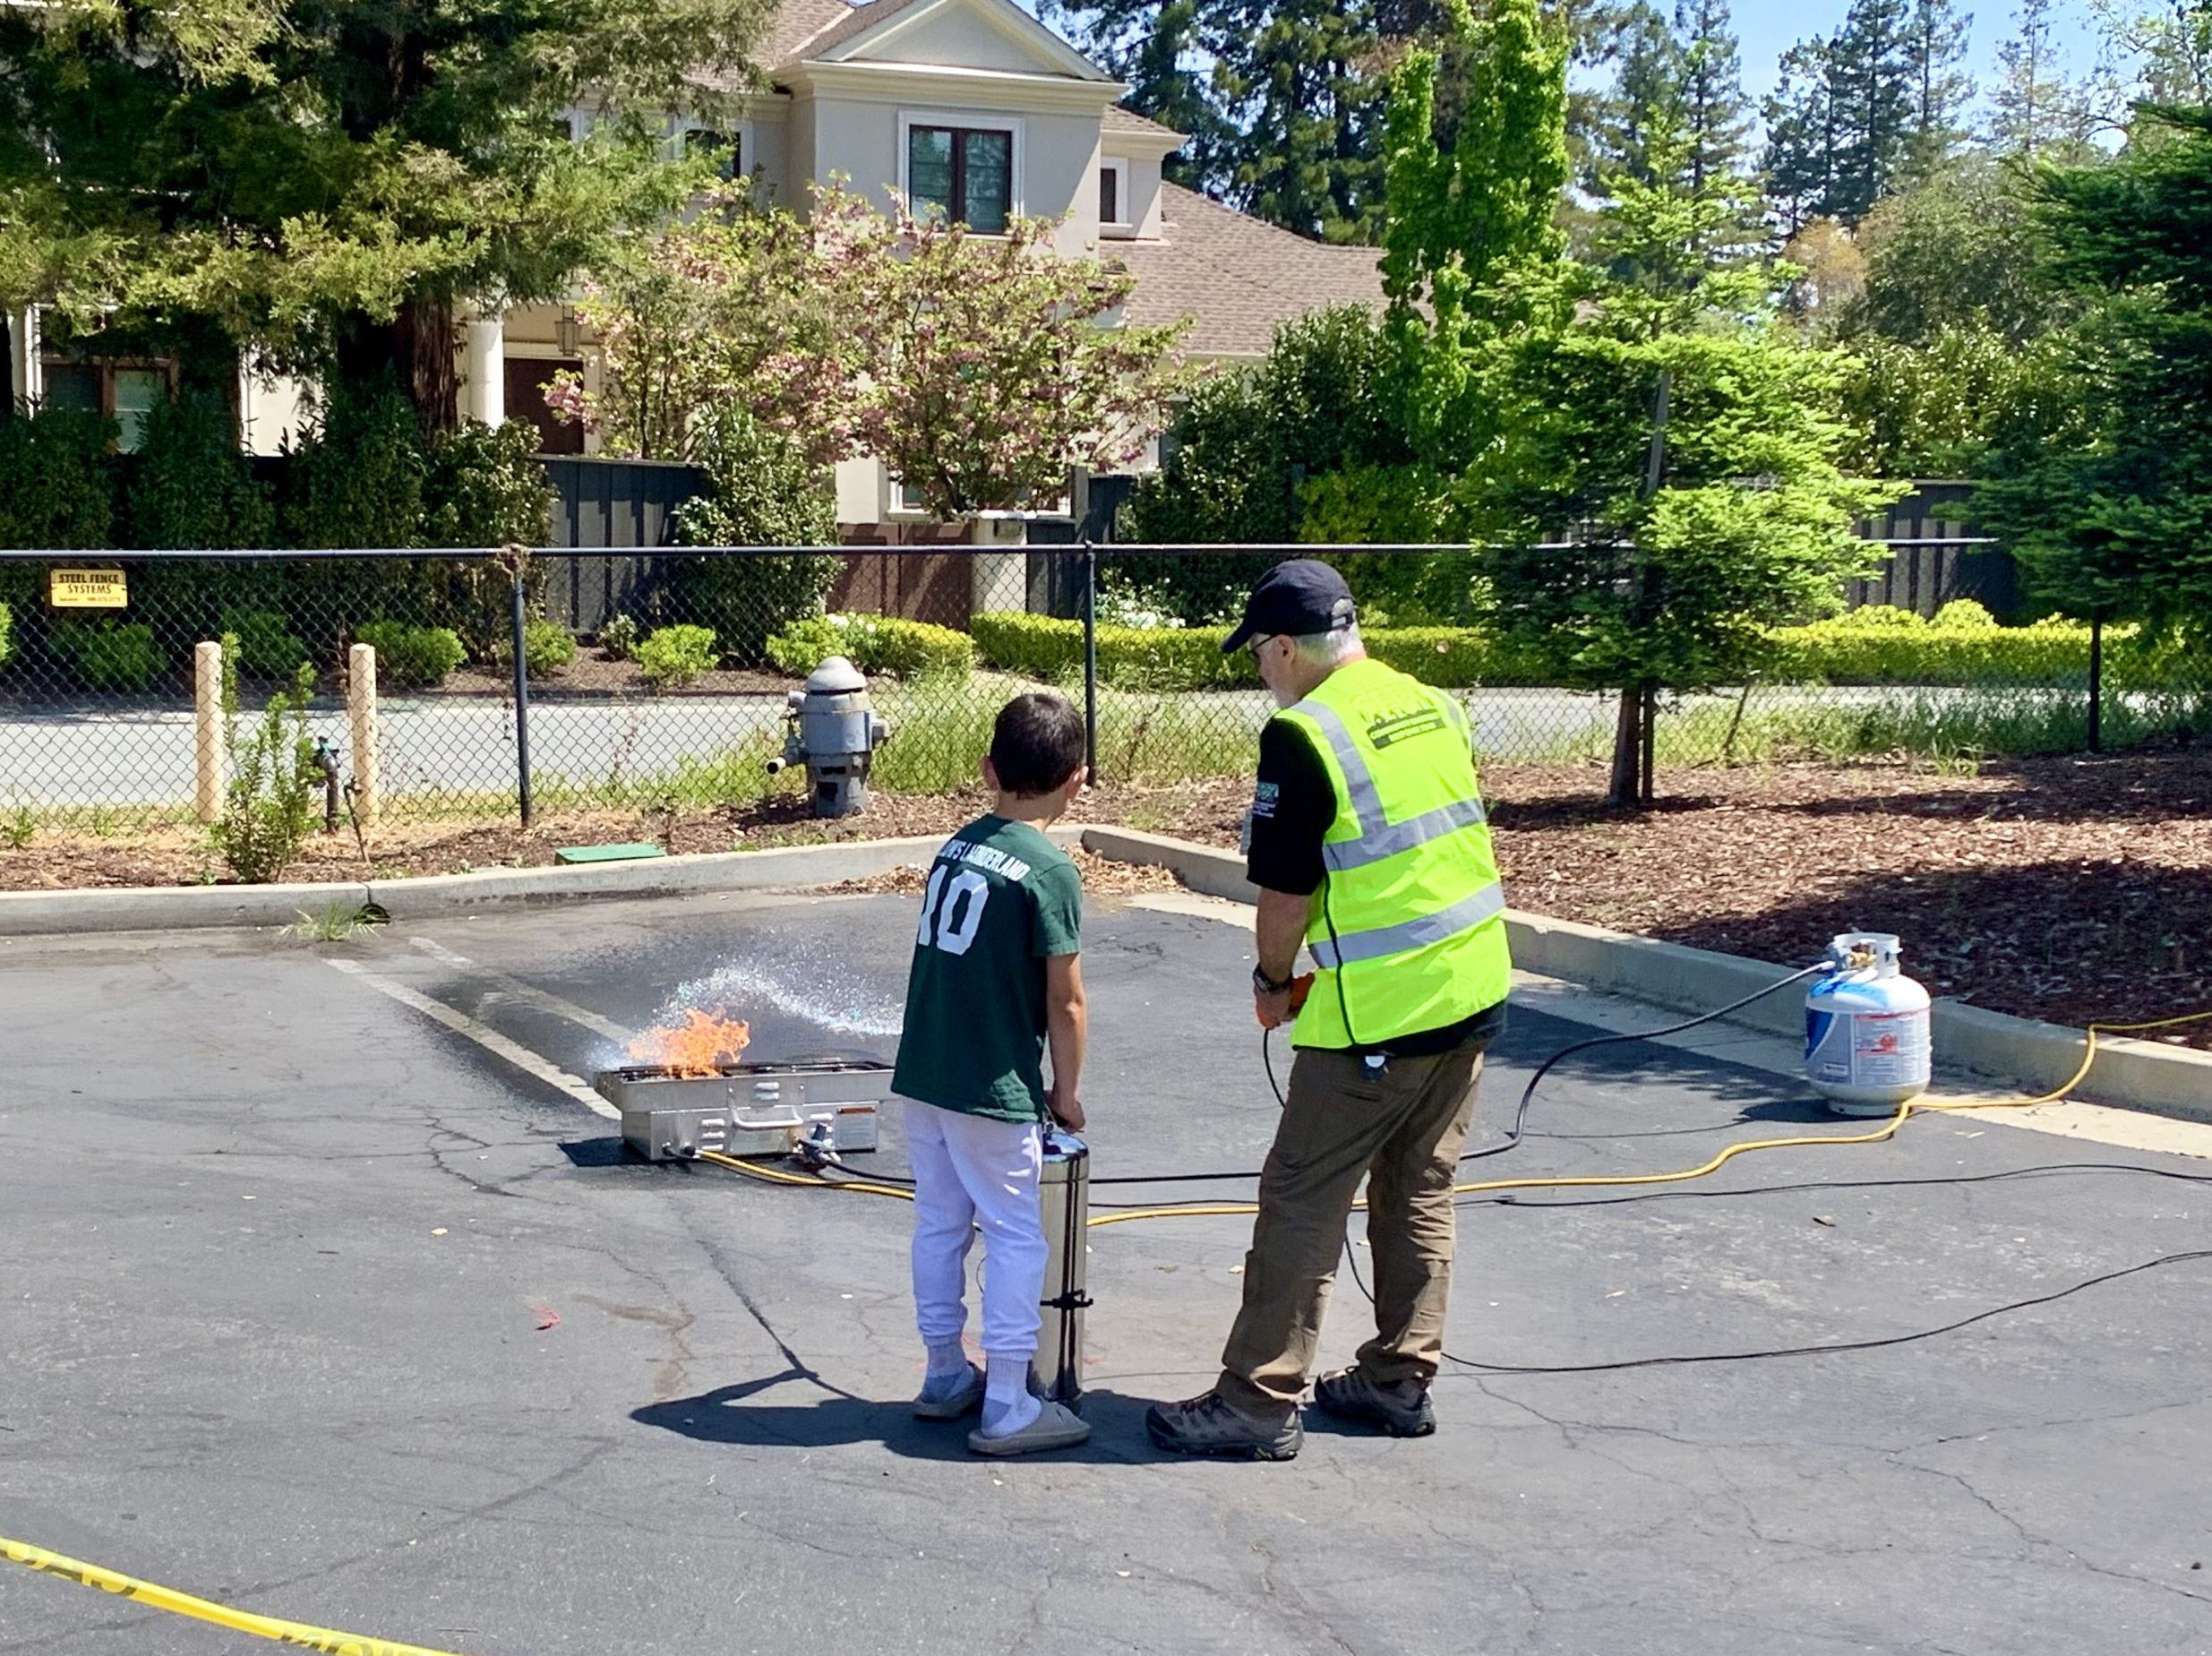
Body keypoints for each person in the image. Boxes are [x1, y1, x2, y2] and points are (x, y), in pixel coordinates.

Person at [1145, 560, 1513, 1460]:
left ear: (1283, 647)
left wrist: (1271, 983)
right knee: (1418, 1188)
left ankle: (1257, 1400)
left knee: (1301, 1195)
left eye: (1258, 658)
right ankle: (1397, 1379)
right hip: (1471, 990)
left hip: (1378, 1019)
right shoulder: (1427, 702)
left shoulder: (1303, 734)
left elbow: (1284, 896)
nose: (1259, 675)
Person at [892, 690, 1093, 1457]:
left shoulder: (957, 846)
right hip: (991, 1084)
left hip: (927, 1073)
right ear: (1076, 780)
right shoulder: (1049, 869)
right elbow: (1065, 1000)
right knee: (1015, 1236)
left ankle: (945, 1371)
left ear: (988, 769)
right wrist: (1065, 1095)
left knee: (941, 1223)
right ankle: (1007, 1401)